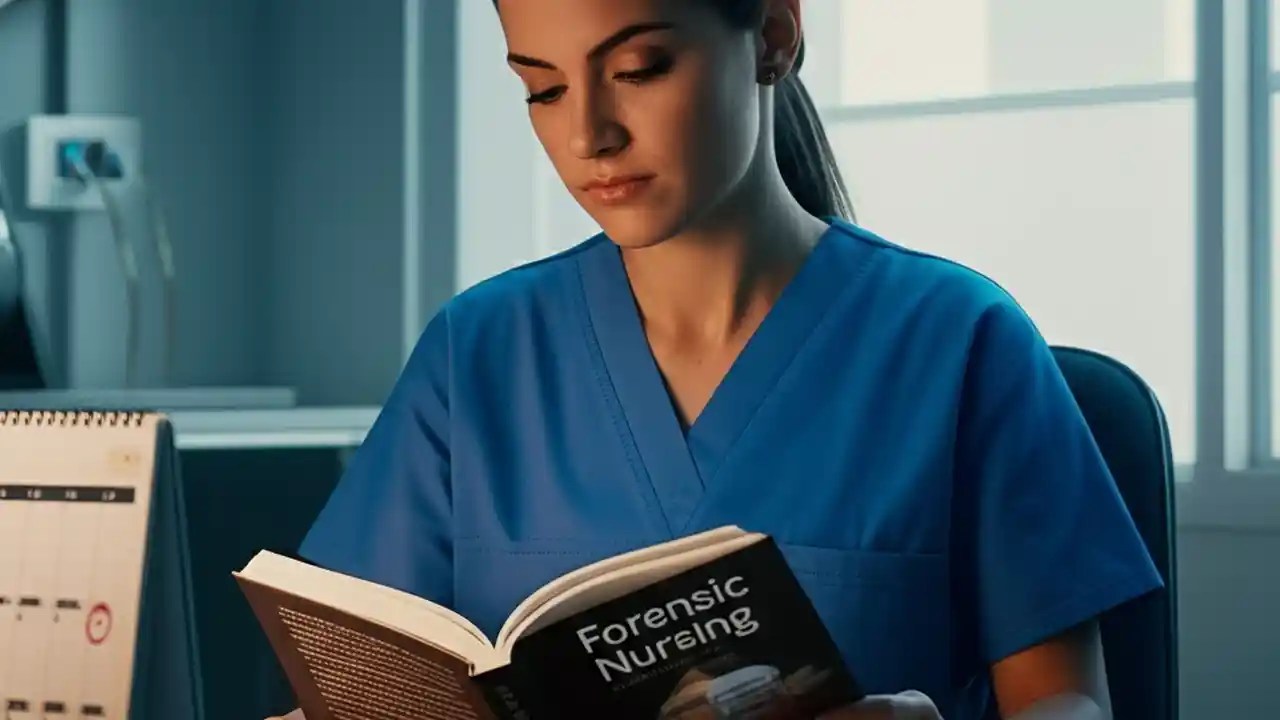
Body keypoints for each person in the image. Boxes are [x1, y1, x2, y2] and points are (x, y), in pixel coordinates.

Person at [269, 1, 1161, 718]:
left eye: (639, 70)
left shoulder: (957, 338)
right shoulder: (478, 354)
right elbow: (356, 679)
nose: (589, 137)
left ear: (773, 35)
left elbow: (1067, 698)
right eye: (542, 90)